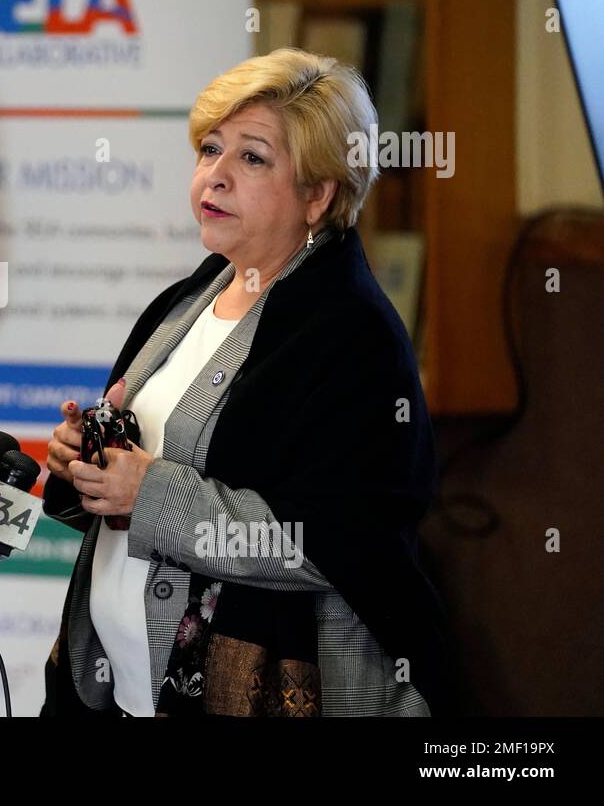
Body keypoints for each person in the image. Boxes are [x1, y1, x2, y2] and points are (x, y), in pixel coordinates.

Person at [41, 47, 452, 717]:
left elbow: (338, 543)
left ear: (319, 194)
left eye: (252, 158)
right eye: (209, 149)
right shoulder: (187, 299)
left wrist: (150, 493)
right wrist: (86, 461)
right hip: (121, 693)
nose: (216, 176)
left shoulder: (354, 335)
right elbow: (141, 469)